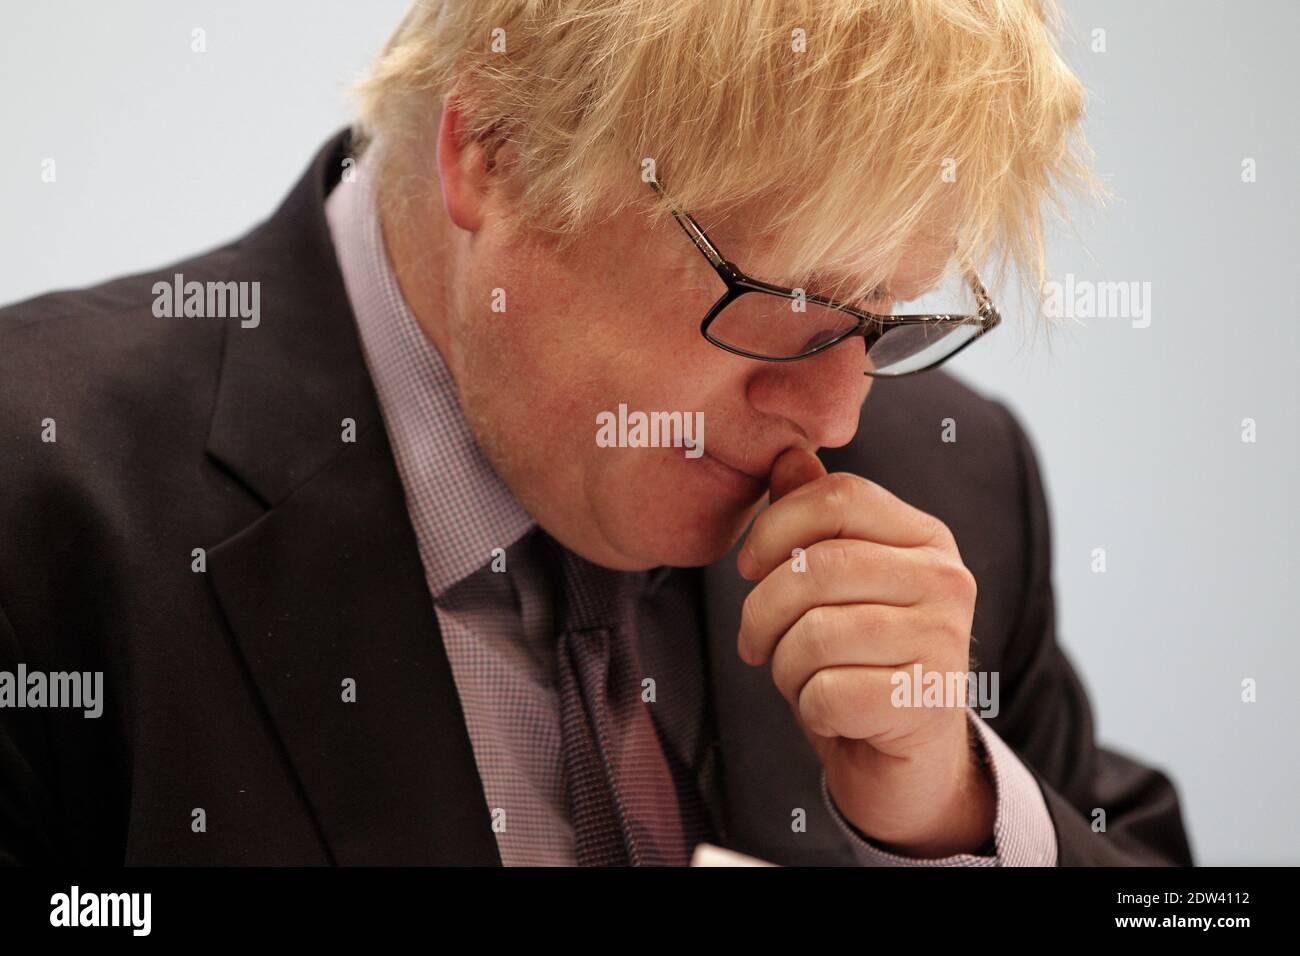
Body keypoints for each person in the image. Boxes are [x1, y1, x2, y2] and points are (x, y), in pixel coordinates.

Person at [0, 0, 1192, 866]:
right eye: (782, 304)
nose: (837, 414)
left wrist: (946, 815)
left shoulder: (953, 477)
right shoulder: (36, 488)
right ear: (495, 148)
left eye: (889, 319)